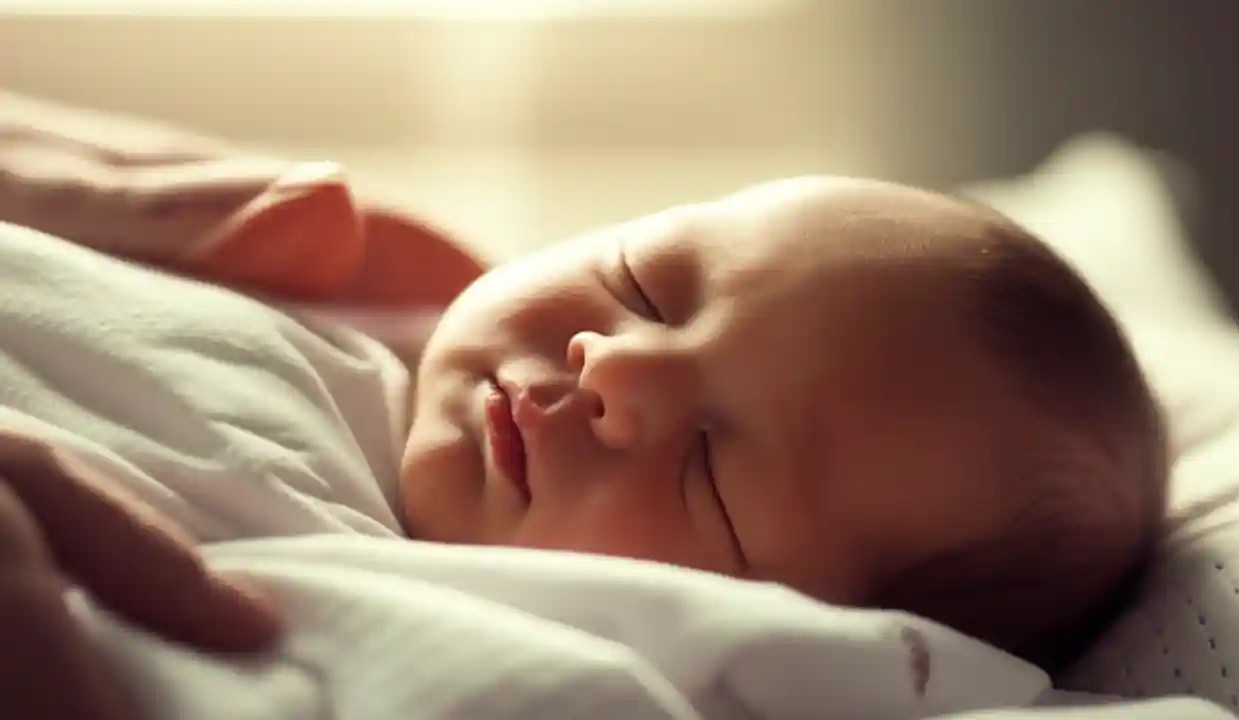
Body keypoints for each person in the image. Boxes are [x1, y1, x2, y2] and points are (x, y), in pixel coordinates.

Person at [0, 97, 1166, 717]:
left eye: (708, 468)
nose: (614, 369)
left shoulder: (535, 656)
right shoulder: (332, 301)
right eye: (642, 284)